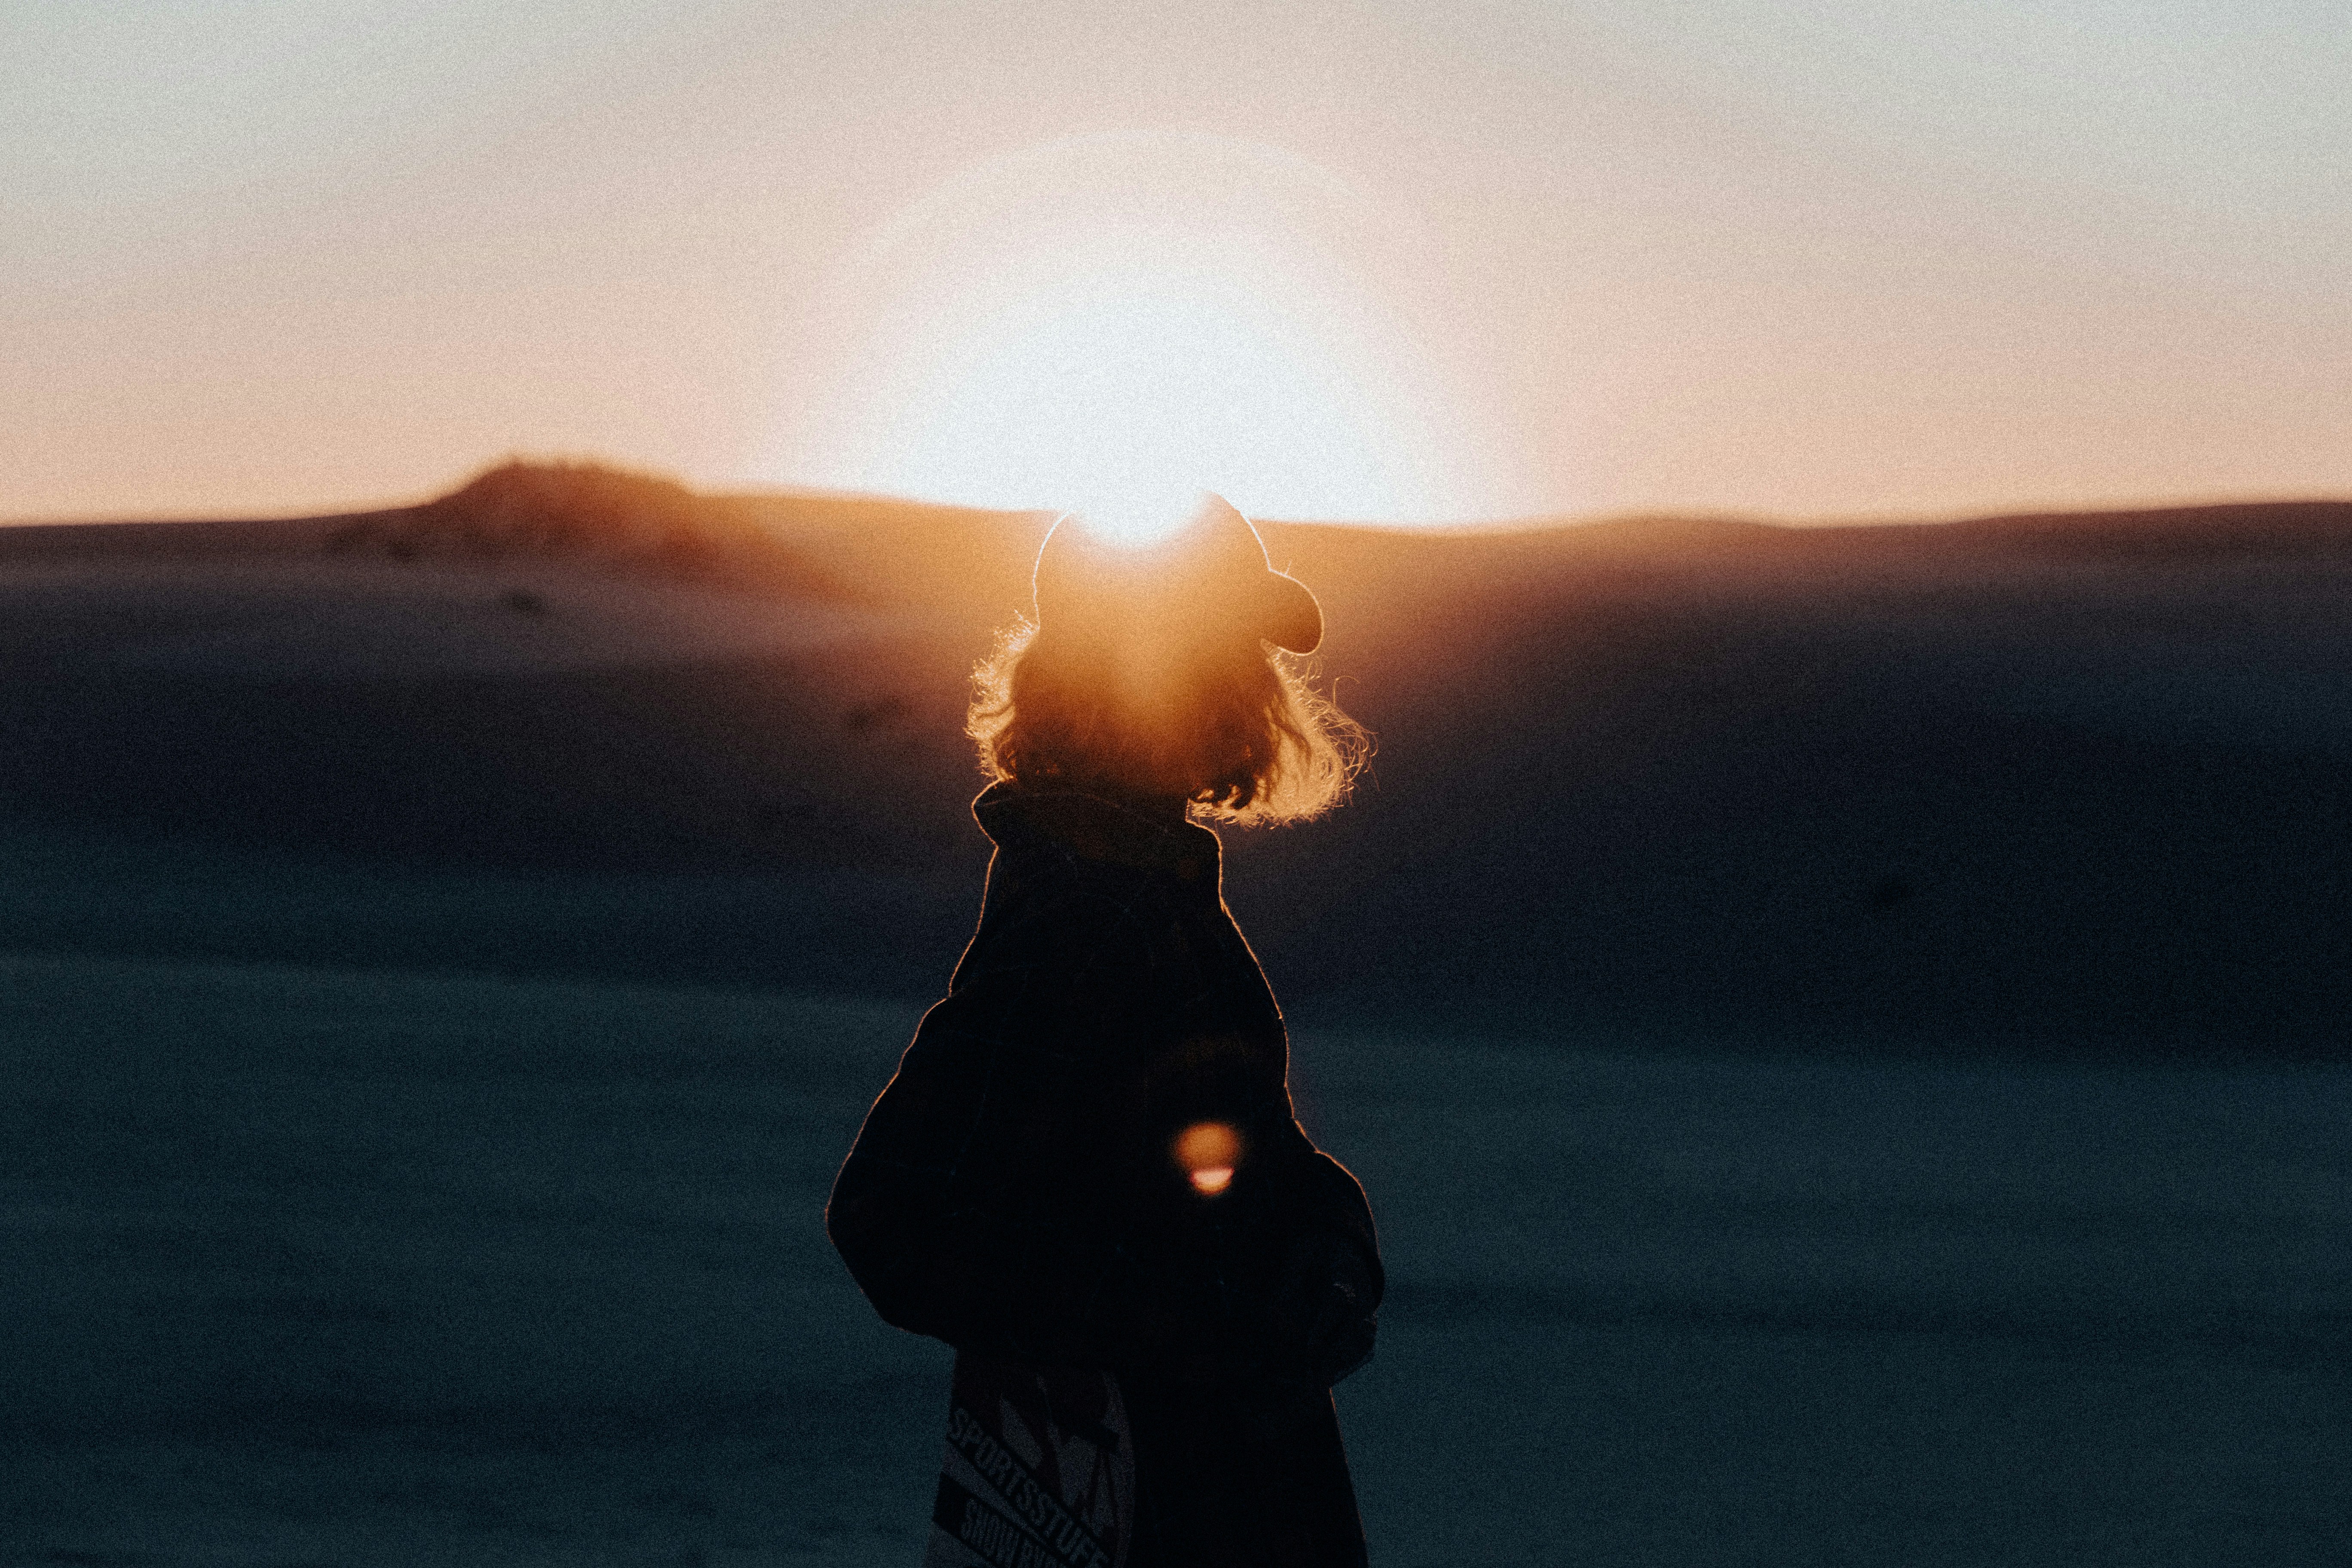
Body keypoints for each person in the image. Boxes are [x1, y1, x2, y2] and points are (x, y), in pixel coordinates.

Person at [828, 494, 1383, 1568]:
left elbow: (1247, 1157)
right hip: (1159, 1506)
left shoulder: (1146, 894)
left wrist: (1328, 1248)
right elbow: (897, 1218)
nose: (1255, 689)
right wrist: (1198, 1324)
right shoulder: (1087, 917)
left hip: (1221, 1489)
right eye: (1227, 654)